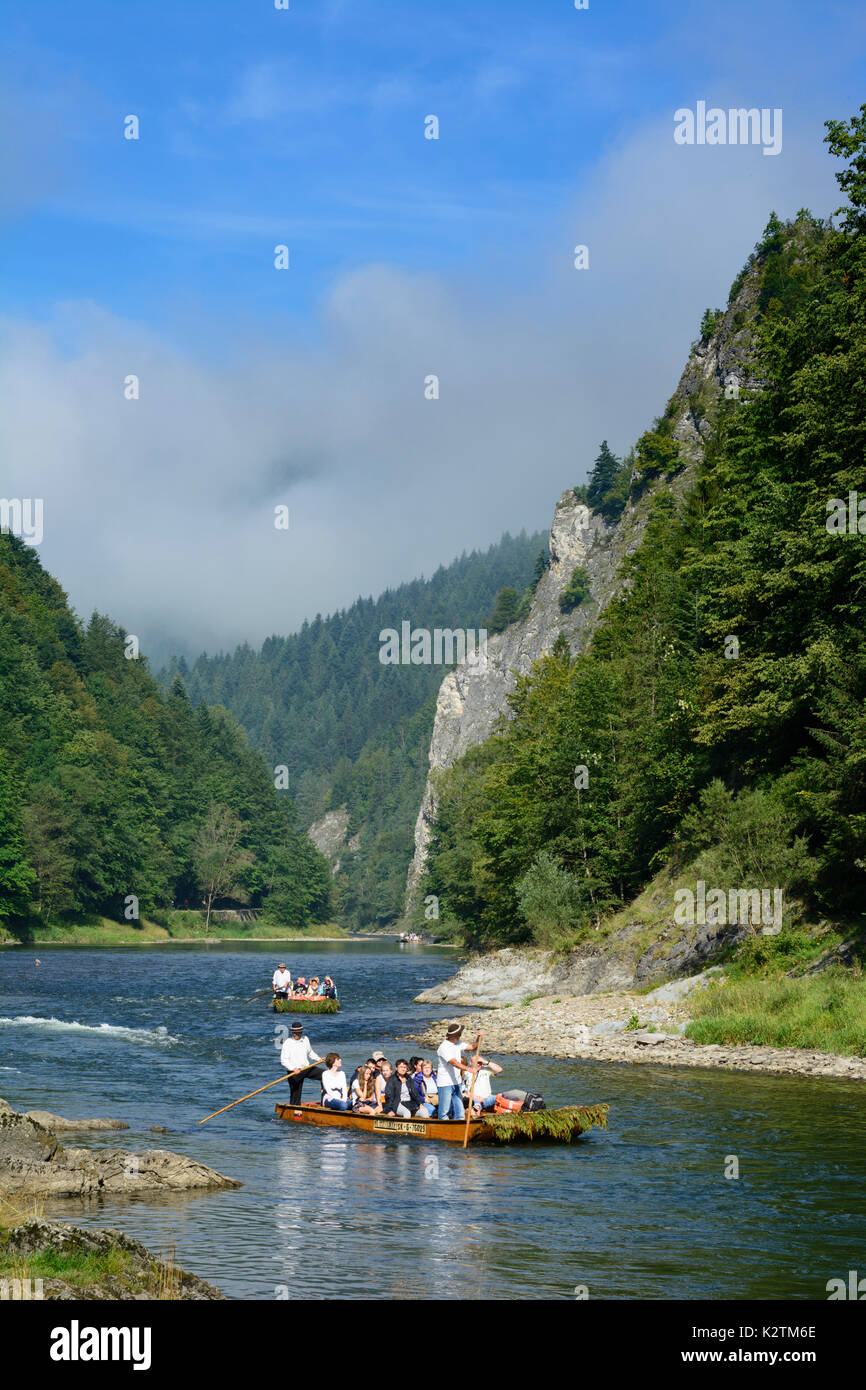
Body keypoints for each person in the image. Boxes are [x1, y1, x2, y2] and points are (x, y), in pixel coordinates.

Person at [436, 1024, 483, 1121]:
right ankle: (444, 1130)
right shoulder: (443, 1047)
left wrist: (478, 1038)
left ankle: (459, 1125)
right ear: (456, 1035)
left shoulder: (457, 1043)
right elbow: (454, 1062)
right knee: (444, 1111)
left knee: (460, 1111)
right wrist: (469, 1069)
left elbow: (473, 1047)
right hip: (445, 1083)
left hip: (457, 1082)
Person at [279, 1021, 326, 1105]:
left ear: (301, 1032)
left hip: (306, 1069)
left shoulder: (305, 1039)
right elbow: (283, 1060)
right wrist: (293, 1069)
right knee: (295, 1096)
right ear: (292, 1032)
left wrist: (319, 1059)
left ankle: (326, 1100)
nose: (295, 1034)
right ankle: (294, 1110)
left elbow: (310, 1052)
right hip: (294, 1072)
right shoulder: (287, 1043)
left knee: (325, 1075)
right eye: (294, 1032)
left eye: (297, 1032)